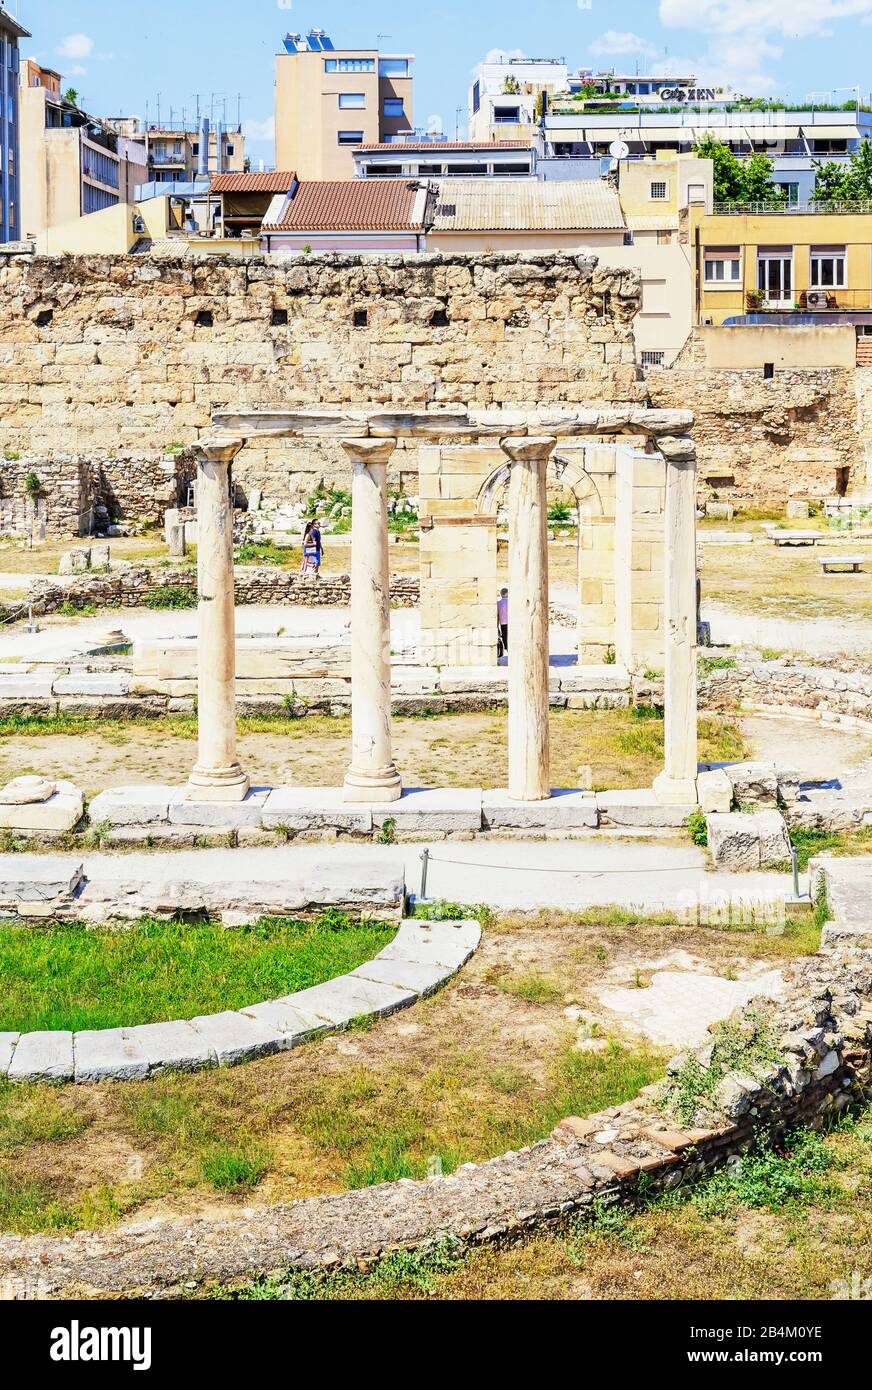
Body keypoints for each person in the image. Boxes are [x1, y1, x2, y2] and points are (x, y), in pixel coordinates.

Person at [497, 588, 509, 657]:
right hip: (510, 622)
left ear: (501, 594)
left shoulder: (498, 603)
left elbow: (497, 615)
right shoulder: (510, 602)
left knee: (504, 636)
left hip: (502, 622)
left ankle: (506, 647)